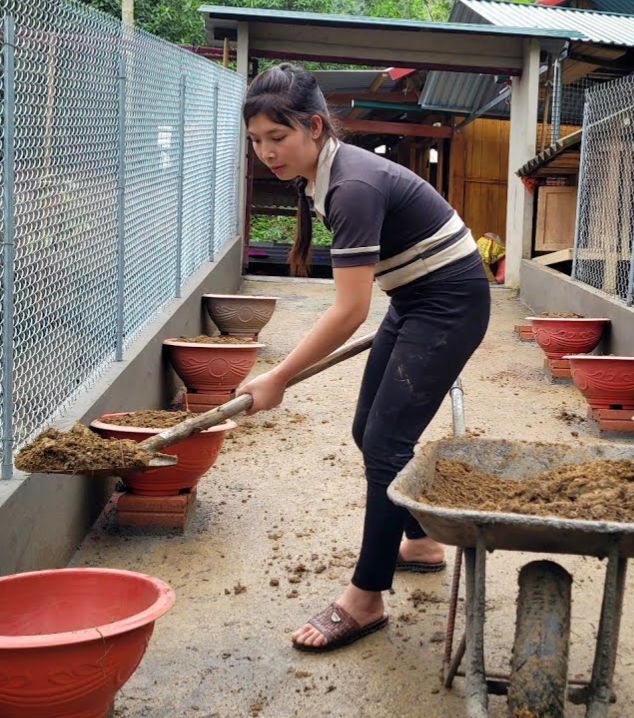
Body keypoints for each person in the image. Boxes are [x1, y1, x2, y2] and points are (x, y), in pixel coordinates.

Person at [236, 64, 491, 652]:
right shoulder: (322, 174)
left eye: (277, 138)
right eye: (256, 140)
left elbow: (349, 311)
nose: (266, 151)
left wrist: (277, 376)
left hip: (448, 302)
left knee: (384, 444)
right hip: (416, 295)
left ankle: (366, 597)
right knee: (367, 429)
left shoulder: (350, 185)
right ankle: (422, 543)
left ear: (315, 127)